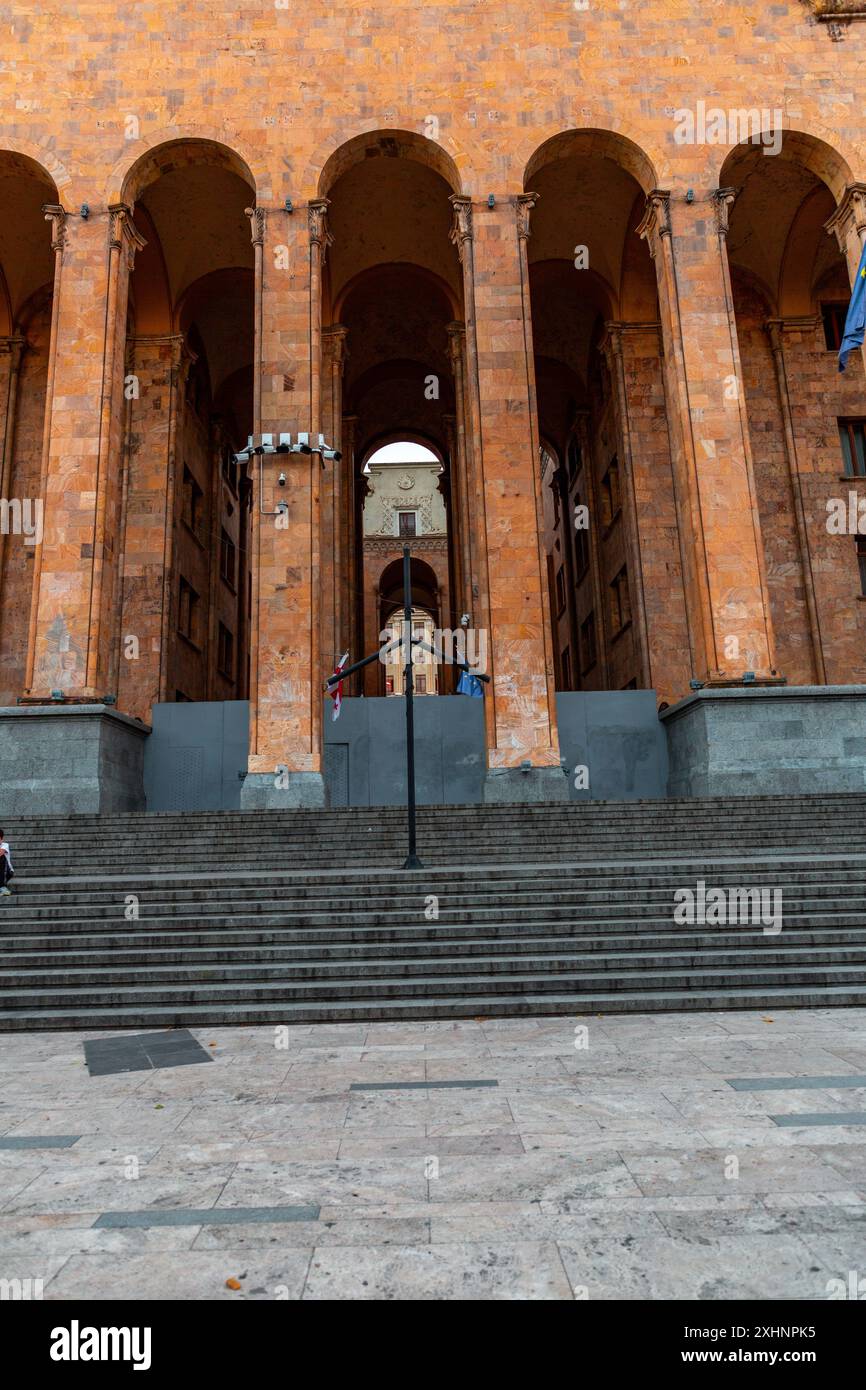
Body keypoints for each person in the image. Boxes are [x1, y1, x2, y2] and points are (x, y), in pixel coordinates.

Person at [0, 829, 13, 897]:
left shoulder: (5, 845)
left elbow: (0, 853)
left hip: (7, 872)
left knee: (2, 857)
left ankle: (2, 887)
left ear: (1, 839)